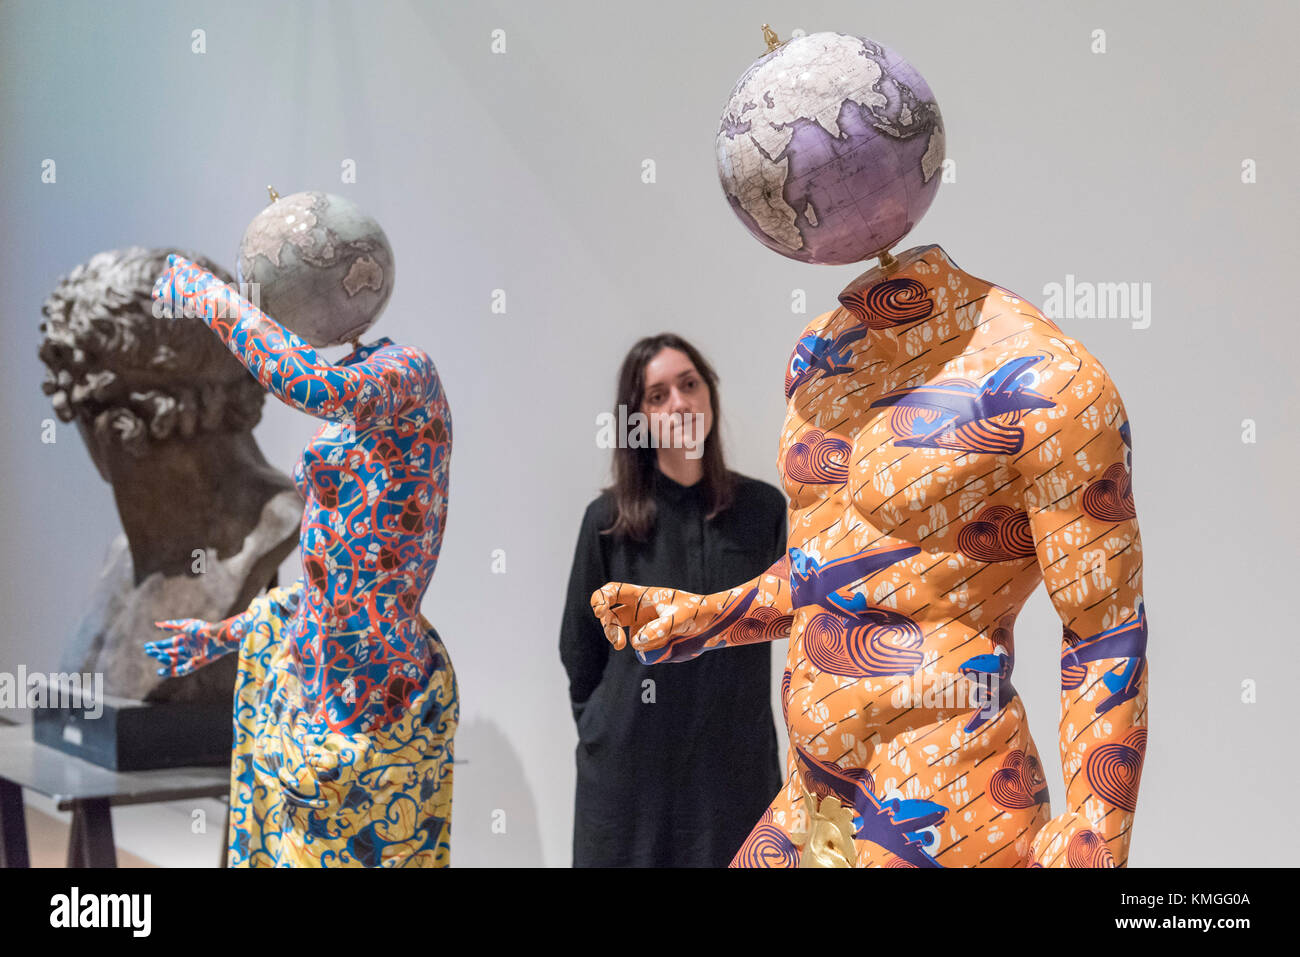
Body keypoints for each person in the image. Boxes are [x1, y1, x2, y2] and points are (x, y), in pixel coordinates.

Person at [559, 333, 786, 867]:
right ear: (635, 417)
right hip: (629, 782)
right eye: (657, 395)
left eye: (689, 384)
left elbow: (792, 618)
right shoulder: (609, 523)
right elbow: (579, 649)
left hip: (736, 771)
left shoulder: (765, 510)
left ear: (710, 395)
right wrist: (601, 730)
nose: (679, 402)